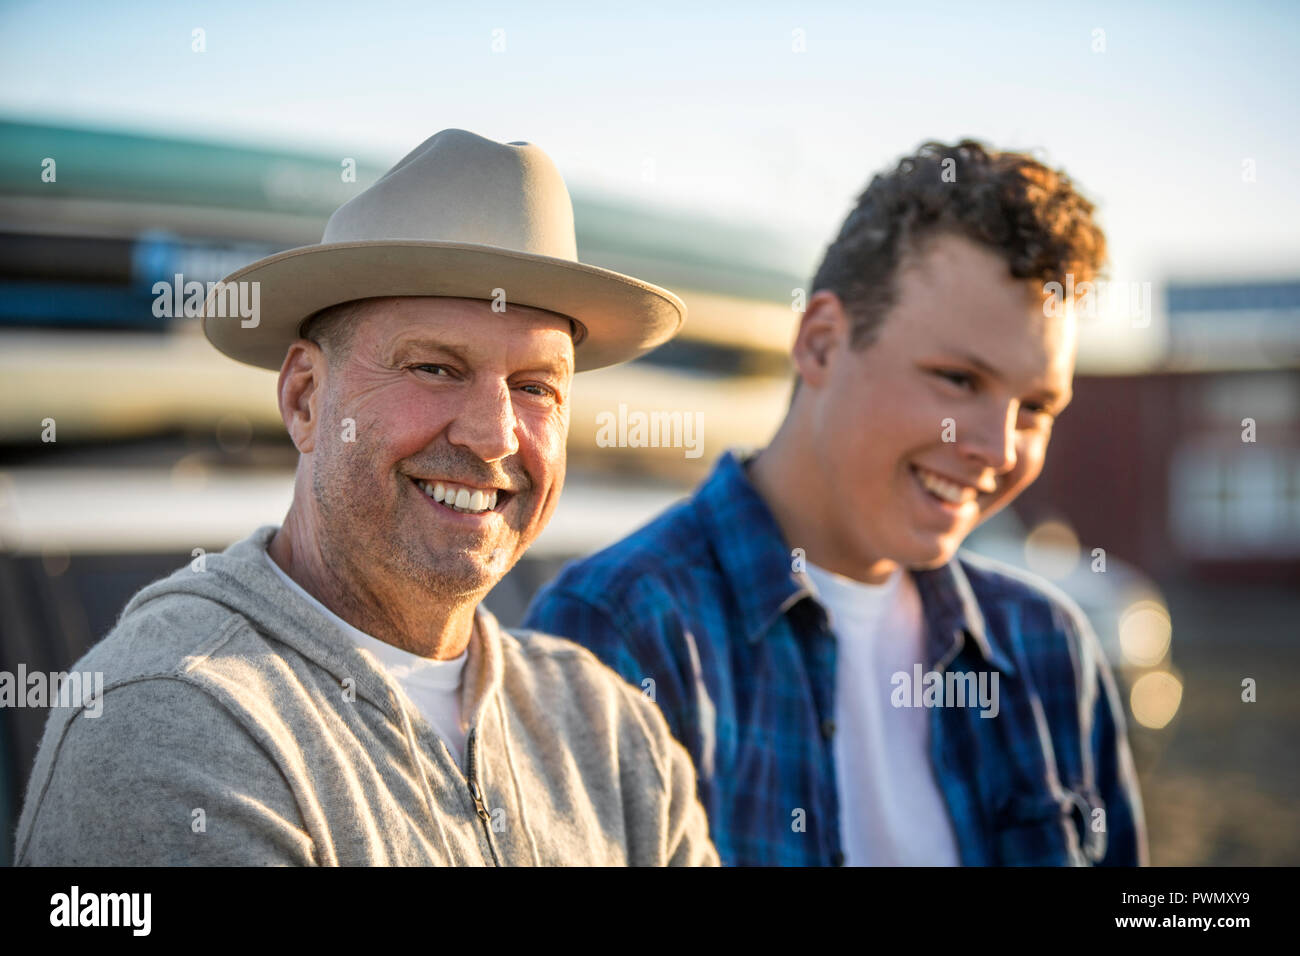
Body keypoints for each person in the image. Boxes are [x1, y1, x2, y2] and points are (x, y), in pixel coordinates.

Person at [14, 129, 718, 867]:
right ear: (305, 397)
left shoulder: (611, 735)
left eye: (536, 386)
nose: (494, 436)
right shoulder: (168, 719)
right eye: (436, 369)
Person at [524, 140, 1148, 867]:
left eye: (1036, 406)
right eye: (958, 380)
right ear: (820, 344)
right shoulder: (619, 631)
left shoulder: (1050, 650)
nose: (1000, 448)